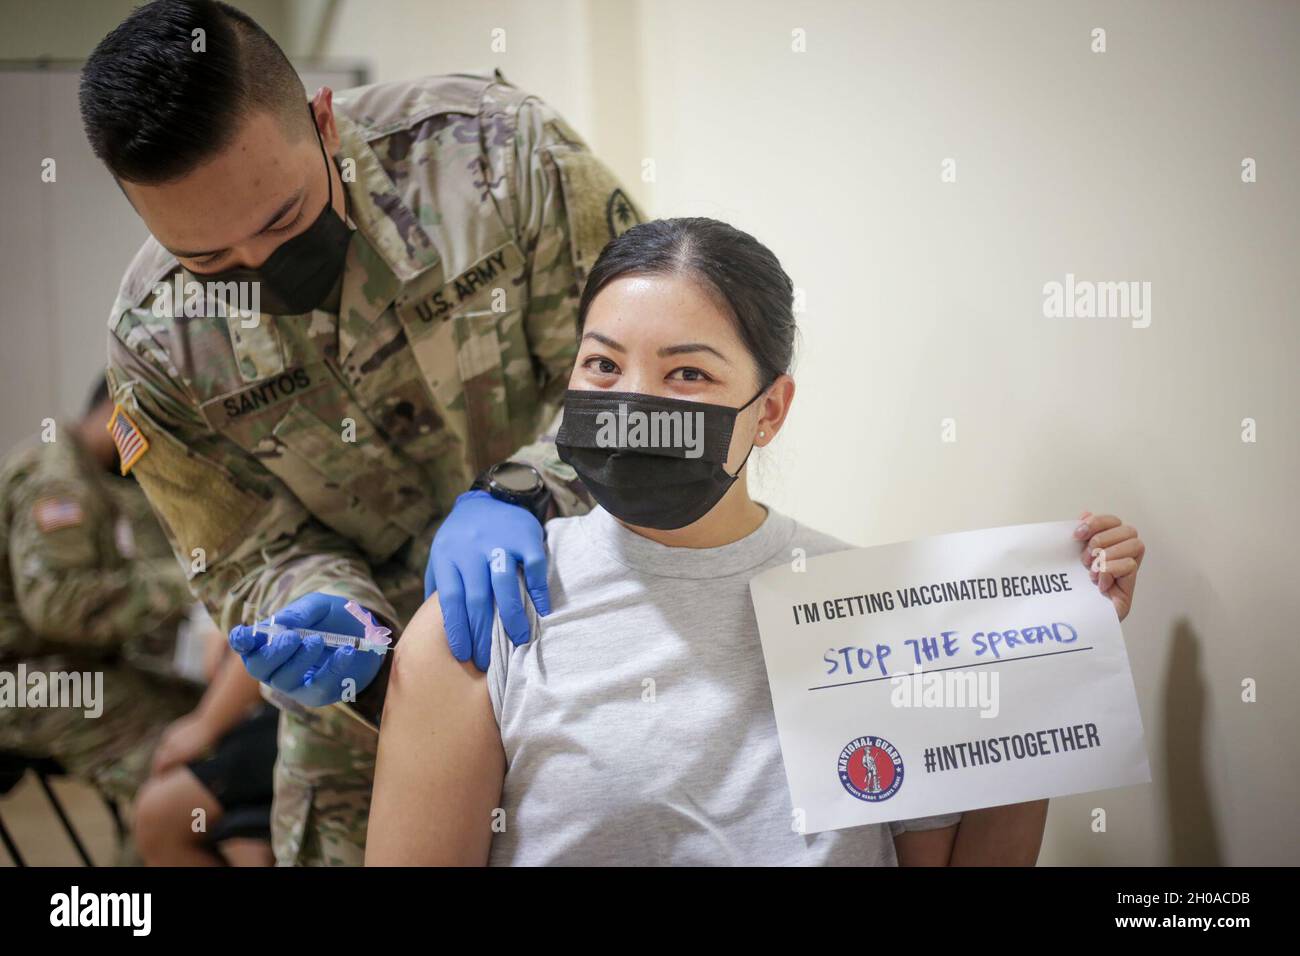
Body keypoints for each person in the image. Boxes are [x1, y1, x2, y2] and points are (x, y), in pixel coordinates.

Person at [366, 218, 1147, 865]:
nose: (633, 403)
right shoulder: (486, 618)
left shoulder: (874, 610)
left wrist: (1049, 657)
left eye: (687, 376)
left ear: (770, 411)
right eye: (603, 364)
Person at [80, 0, 641, 864]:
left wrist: (523, 491)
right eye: (210, 260)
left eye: (281, 219)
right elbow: (243, 556)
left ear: (323, 120)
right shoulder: (158, 349)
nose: (262, 265)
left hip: (573, 621)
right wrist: (322, 612)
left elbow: (647, 379)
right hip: (366, 706)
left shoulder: (498, 157)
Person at [0, 380, 201, 807]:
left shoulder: (86, 475)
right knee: (186, 764)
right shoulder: (57, 479)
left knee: (199, 712)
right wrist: (183, 588)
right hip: (20, 680)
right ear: (119, 409)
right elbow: (58, 605)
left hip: (51, 667)